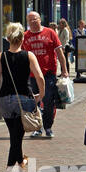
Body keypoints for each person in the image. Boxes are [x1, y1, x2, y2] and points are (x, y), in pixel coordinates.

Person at [0, 23, 45, 172]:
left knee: (15, 134)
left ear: (8, 38)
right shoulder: (29, 56)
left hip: (5, 99)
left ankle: (21, 161)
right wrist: (41, 94)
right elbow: (39, 76)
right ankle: (8, 169)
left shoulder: (2, 56)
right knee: (16, 137)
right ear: (23, 38)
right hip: (24, 99)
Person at [22, 11, 70, 139]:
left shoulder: (50, 33)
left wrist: (64, 70)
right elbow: (21, 56)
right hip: (32, 75)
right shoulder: (25, 36)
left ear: (40, 19)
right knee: (33, 102)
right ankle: (37, 127)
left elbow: (59, 53)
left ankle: (48, 126)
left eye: (35, 19)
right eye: (30, 20)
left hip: (48, 74)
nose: (33, 22)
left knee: (48, 100)